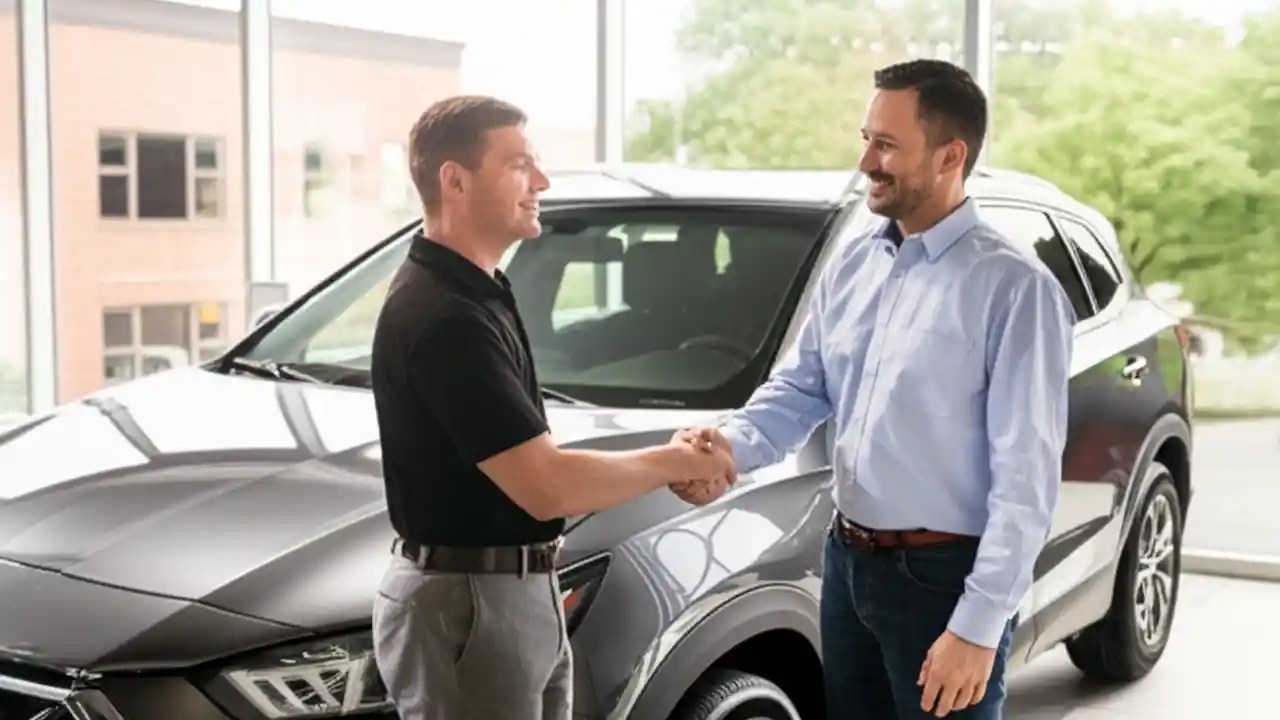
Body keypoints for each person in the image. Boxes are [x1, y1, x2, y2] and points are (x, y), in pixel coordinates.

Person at [681, 59, 1075, 718]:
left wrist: (977, 628)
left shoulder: (1014, 290)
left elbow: (1026, 481)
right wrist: (726, 448)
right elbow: (803, 388)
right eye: (866, 138)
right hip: (848, 563)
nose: (866, 161)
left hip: (944, 580)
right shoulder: (857, 262)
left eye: (886, 144)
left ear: (951, 155)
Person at [369, 95, 734, 720]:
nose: (542, 182)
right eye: (519, 165)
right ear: (454, 180)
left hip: (507, 594)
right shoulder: (445, 317)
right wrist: (676, 461)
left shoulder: (478, 291)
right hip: (471, 607)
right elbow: (547, 486)